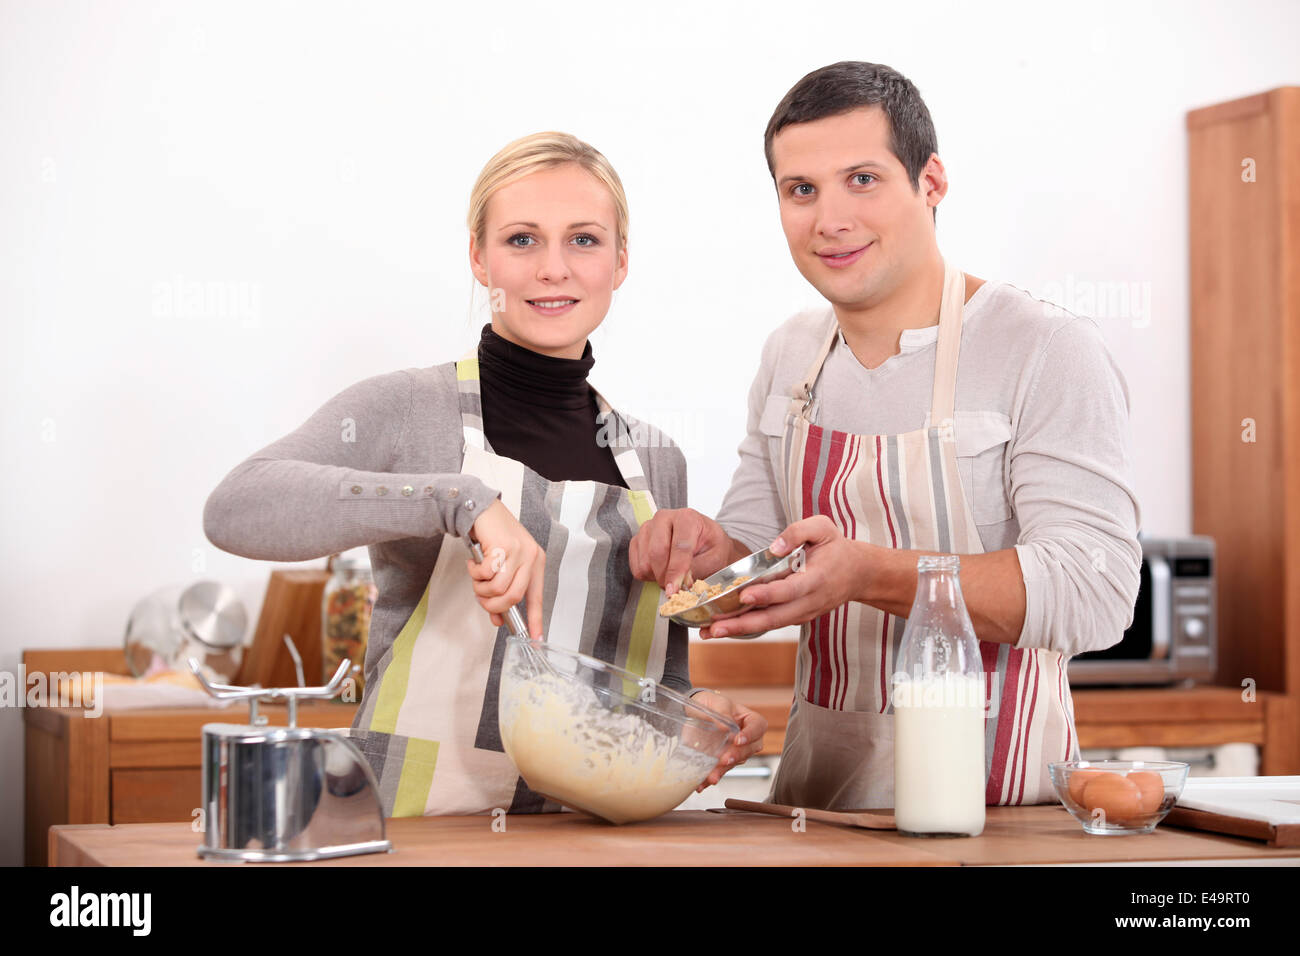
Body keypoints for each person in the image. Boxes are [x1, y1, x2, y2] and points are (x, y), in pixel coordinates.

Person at [204, 131, 767, 817]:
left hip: (590, 843)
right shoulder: (411, 410)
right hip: (414, 831)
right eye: (522, 240)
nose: (553, 269)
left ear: (620, 261)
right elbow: (236, 506)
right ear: (479, 256)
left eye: (584, 240)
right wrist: (460, 500)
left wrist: (699, 715)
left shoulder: (656, 461)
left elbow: (659, 680)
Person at [629, 62, 1141, 809]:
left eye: (861, 179)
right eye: (801, 190)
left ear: (931, 181)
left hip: (998, 813)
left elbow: (1093, 592)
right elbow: (756, 542)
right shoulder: (790, 355)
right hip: (818, 805)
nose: (829, 220)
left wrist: (870, 574)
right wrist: (708, 551)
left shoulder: (1043, 347)